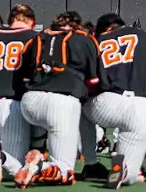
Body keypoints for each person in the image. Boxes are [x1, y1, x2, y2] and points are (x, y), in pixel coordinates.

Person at [17, 12, 101, 185]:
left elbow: (24, 77)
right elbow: (93, 80)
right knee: (65, 169)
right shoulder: (84, 39)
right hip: (61, 103)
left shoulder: (35, 39)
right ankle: (40, 165)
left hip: (30, 101)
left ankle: (17, 157)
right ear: (77, 25)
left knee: (13, 167)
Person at [83, 12, 146, 190]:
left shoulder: (97, 41)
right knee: (131, 175)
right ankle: (126, 170)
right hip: (142, 105)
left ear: (104, 29)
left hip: (110, 101)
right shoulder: (140, 35)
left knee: (79, 108)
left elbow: (92, 83)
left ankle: (91, 163)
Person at [0, 5, 38, 184]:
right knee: (17, 171)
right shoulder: (33, 37)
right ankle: (1, 157)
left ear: (11, 20)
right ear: (31, 22)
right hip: (12, 107)